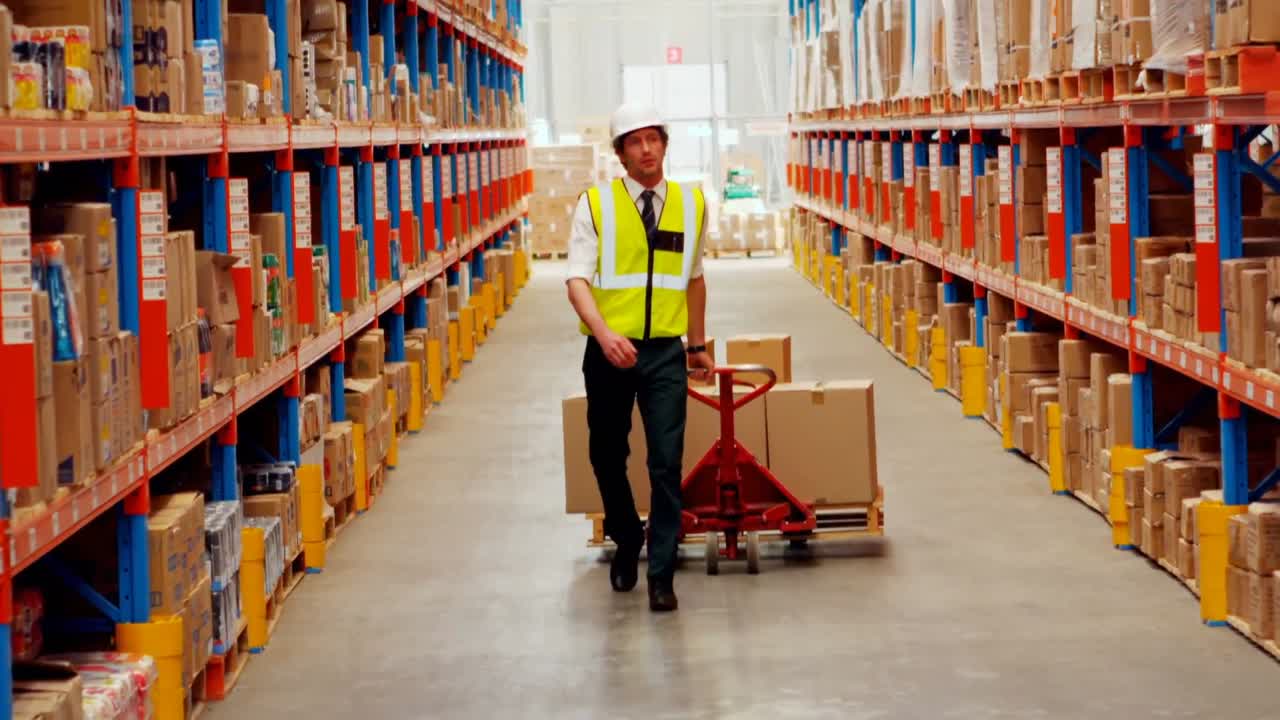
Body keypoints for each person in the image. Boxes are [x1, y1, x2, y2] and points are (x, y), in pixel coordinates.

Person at [565, 103, 714, 612]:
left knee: (666, 462)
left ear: (665, 145)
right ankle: (627, 537)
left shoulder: (692, 204)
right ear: (620, 154)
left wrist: (696, 346)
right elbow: (577, 281)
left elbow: (694, 280)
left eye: (653, 138)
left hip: (664, 355)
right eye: (634, 141)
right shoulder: (595, 204)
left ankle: (662, 570)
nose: (646, 149)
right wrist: (604, 335)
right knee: (607, 455)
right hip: (608, 350)